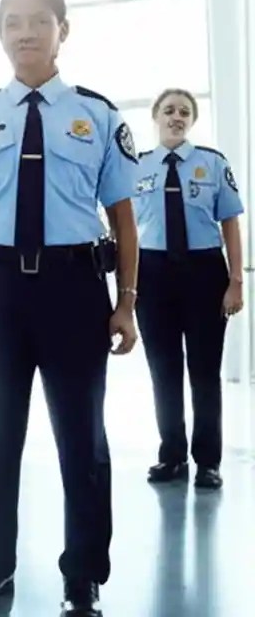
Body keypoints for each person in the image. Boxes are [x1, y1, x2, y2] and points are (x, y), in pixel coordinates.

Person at [0, 0, 139, 617]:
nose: (25, 32)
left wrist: (126, 302)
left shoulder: (97, 116)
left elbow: (123, 216)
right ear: (0, 34)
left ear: (62, 31)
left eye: (38, 21)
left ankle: (84, 578)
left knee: (83, 438)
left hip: (75, 289)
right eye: (13, 22)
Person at [132, 88, 243, 491]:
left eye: (184, 111)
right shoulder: (137, 168)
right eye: (168, 110)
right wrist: (127, 290)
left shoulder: (211, 164)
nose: (176, 116)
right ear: (156, 116)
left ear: (192, 120)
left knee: (204, 372)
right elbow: (125, 228)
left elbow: (229, 221)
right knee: (163, 371)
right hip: (153, 274)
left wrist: (235, 280)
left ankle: (208, 462)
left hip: (204, 273)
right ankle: (172, 456)